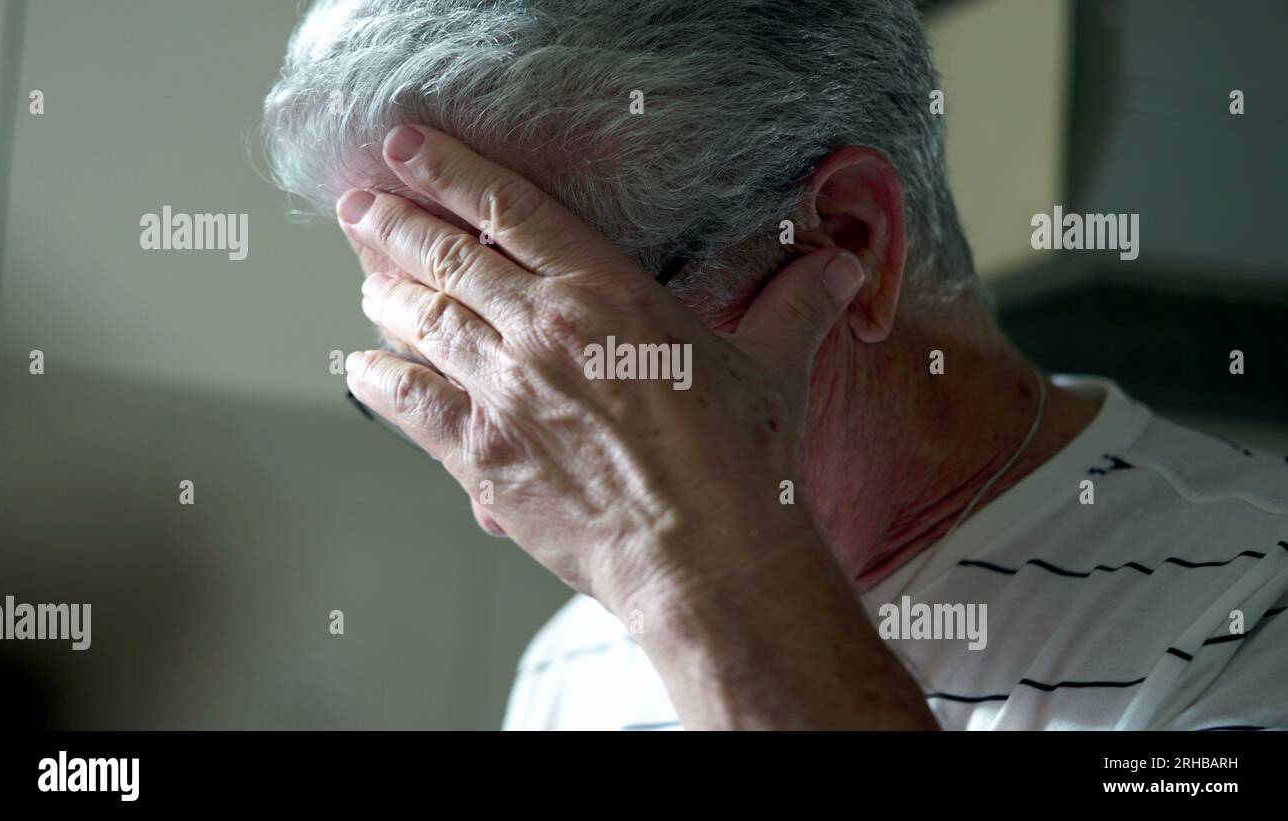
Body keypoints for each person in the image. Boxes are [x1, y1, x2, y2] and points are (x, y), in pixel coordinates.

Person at [263, 0, 1288, 730]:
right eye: (448, 377)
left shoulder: (1248, 613)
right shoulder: (569, 666)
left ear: (845, 242)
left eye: (556, 360)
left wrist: (686, 565)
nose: (501, 496)